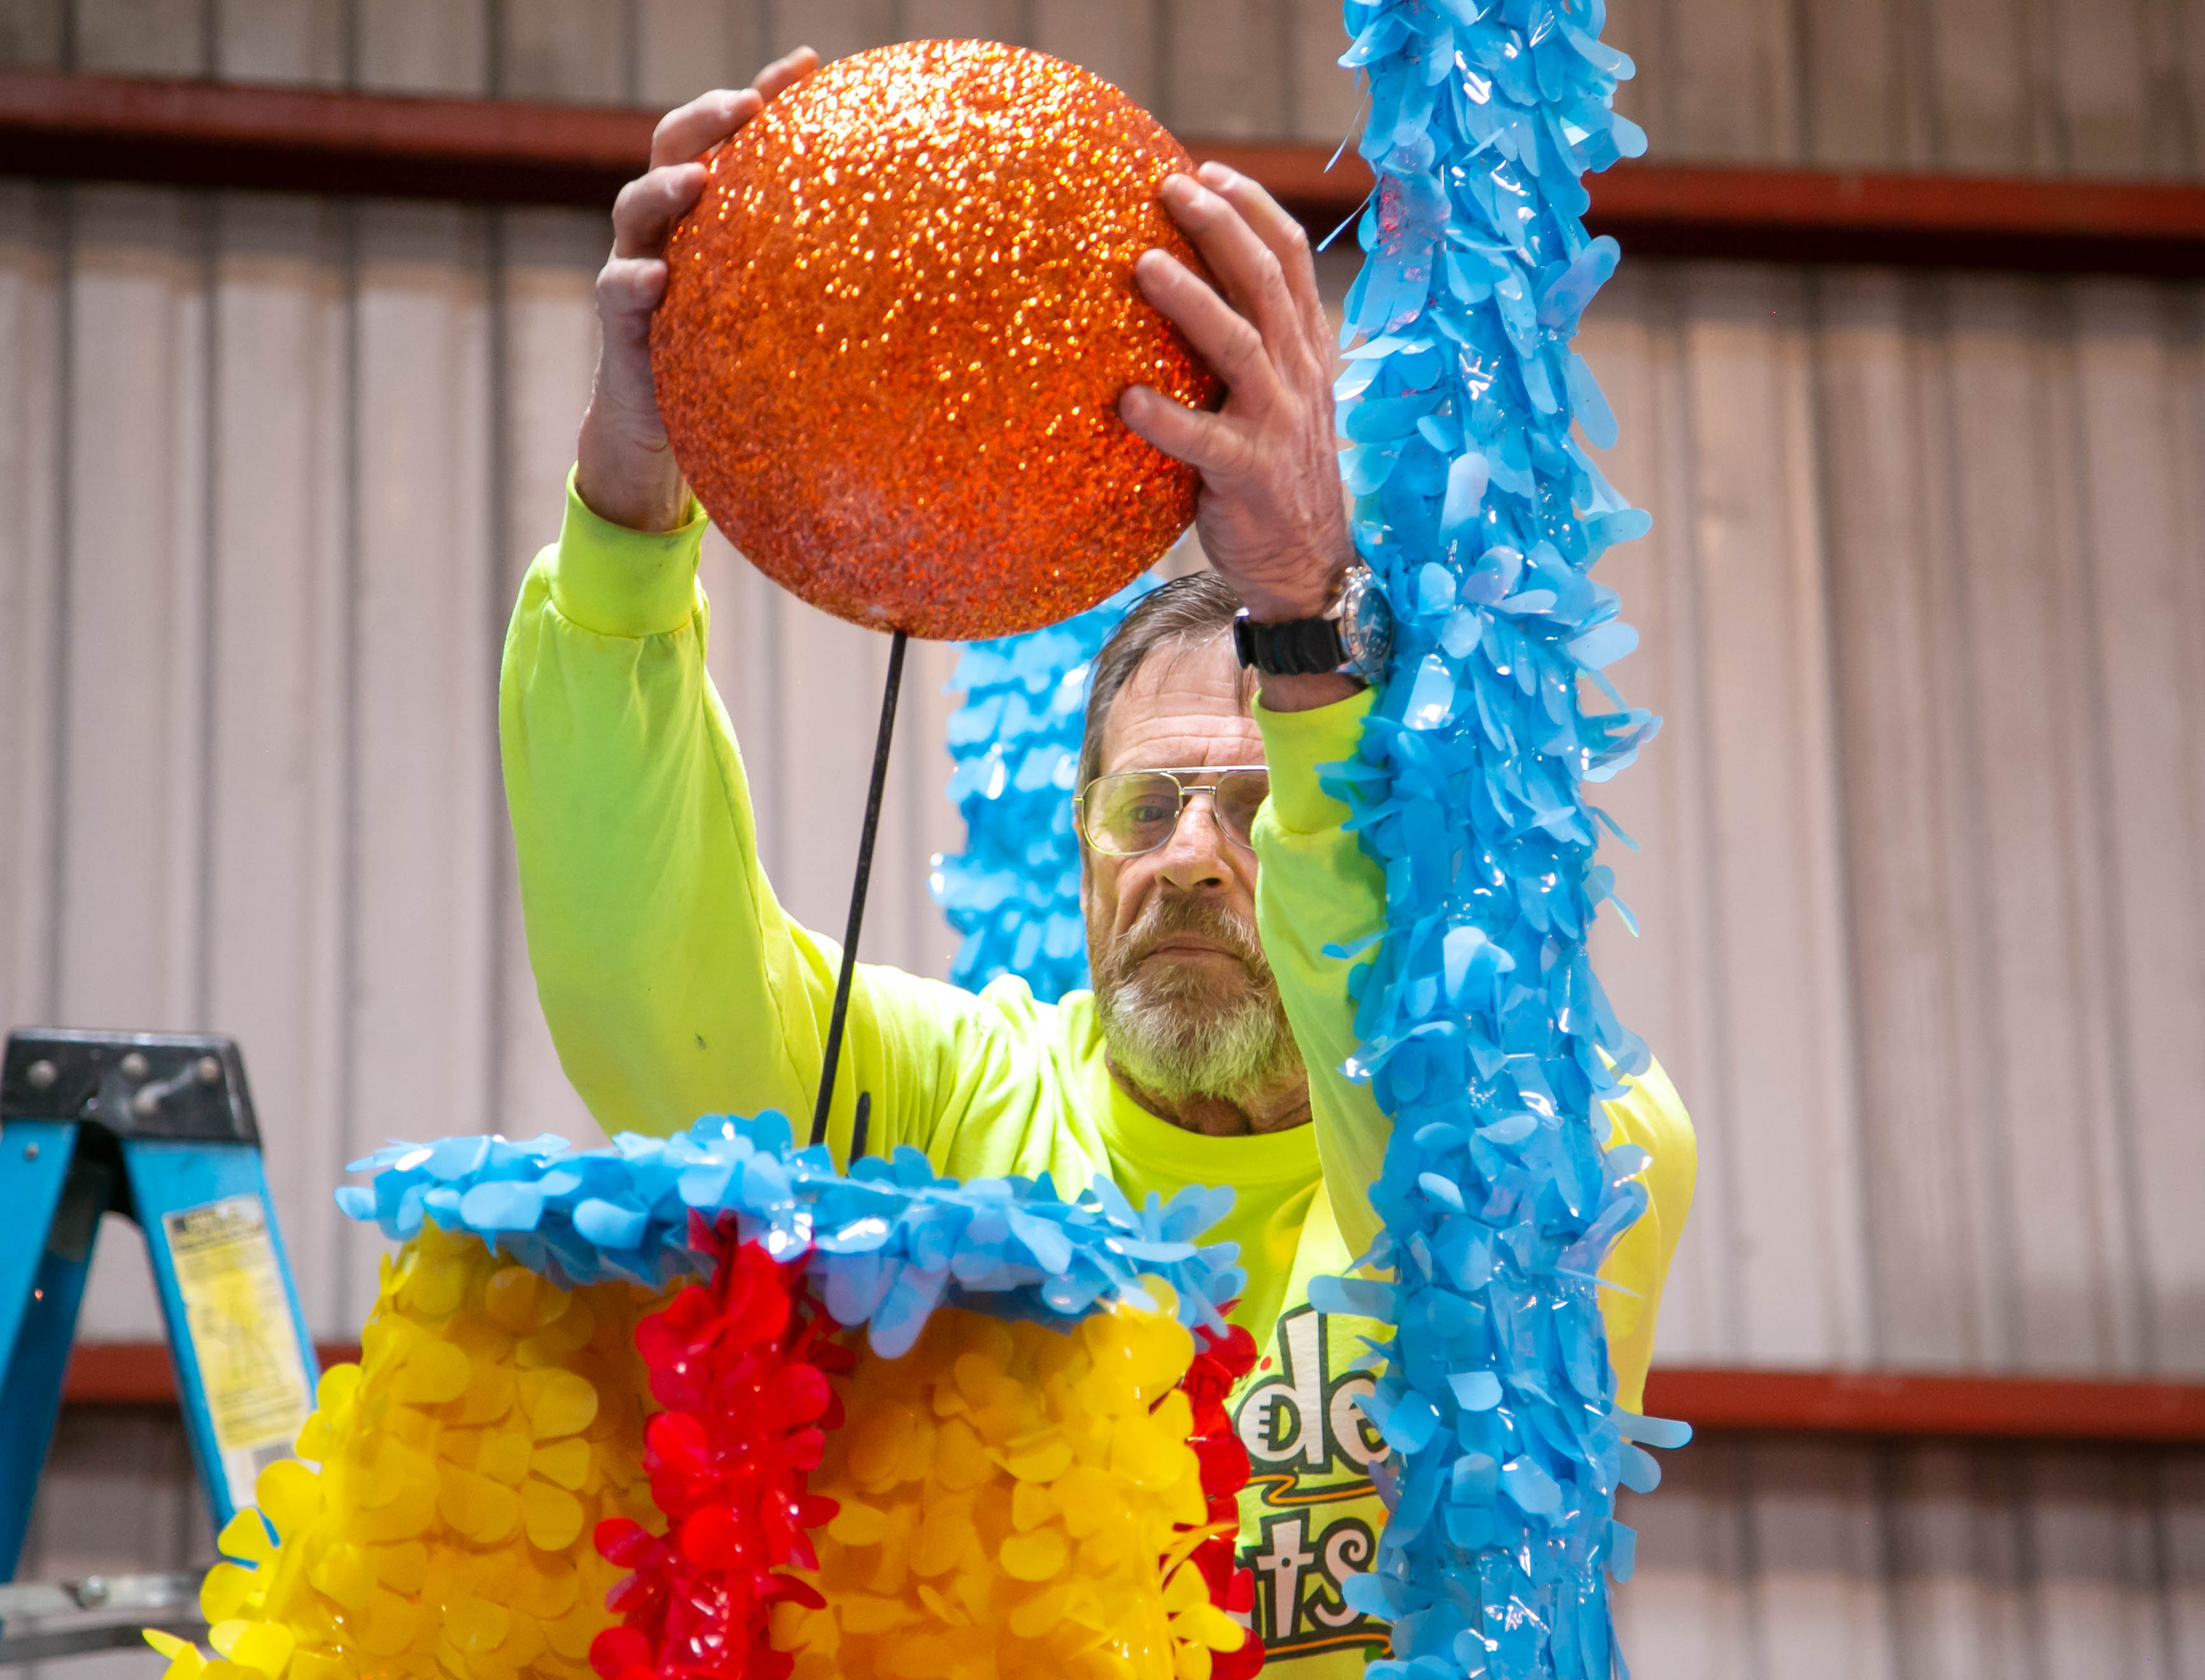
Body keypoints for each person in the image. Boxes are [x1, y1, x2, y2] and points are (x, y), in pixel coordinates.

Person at [498, 48, 1696, 1677]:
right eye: (1146, 810)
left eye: (1259, 801)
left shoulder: (1573, 1150)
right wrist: (630, 524)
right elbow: (654, 1012)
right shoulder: (955, 1106)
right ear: (1082, 853)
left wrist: (1305, 615)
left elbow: (1446, 1207)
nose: (1195, 859)